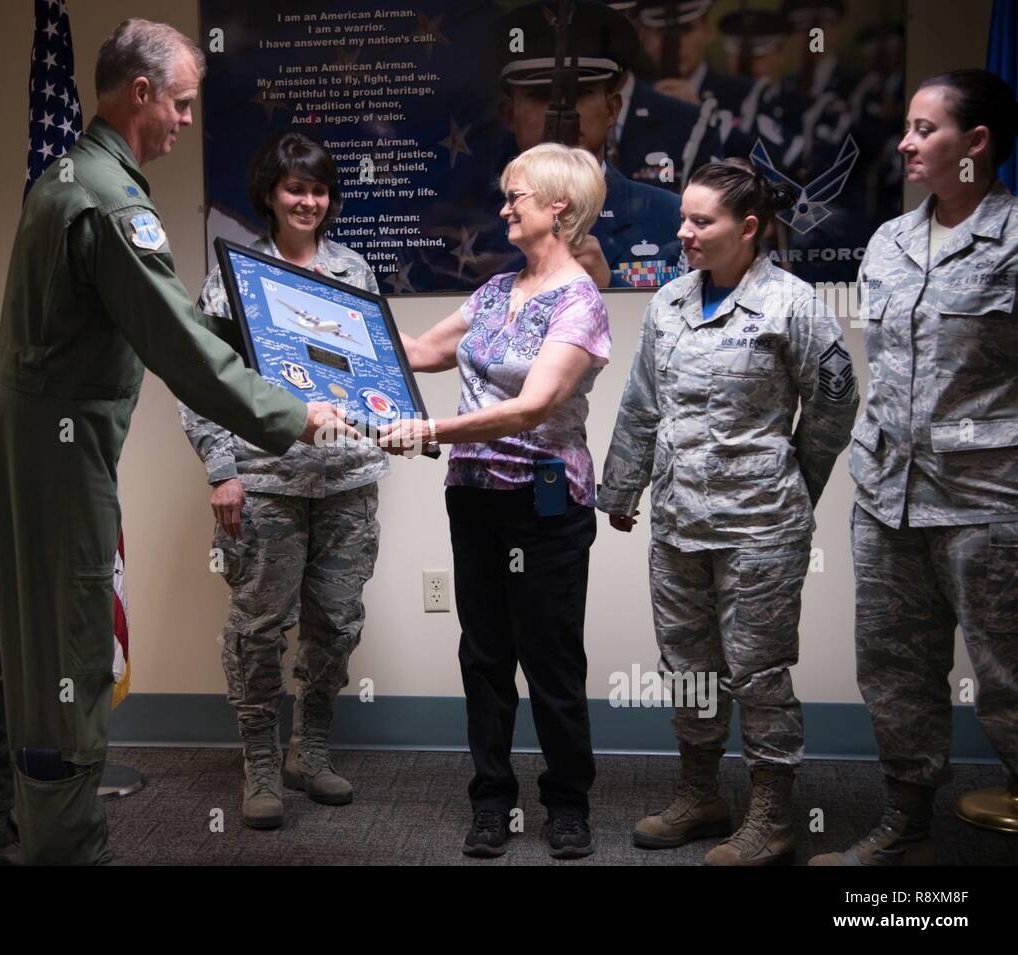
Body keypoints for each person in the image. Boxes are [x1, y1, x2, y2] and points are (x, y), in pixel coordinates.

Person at [0, 19, 356, 867]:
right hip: (54, 447)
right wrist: (291, 412)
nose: (188, 121)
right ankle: (67, 845)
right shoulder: (110, 200)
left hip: (21, 429)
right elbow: (180, 345)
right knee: (69, 648)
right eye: (184, 104)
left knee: (18, 634)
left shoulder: (74, 174)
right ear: (141, 93)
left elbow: (179, 330)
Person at [598, 158, 858, 866]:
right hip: (678, 523)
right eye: (682, 217)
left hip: (760, 530)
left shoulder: (794, 304)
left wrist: (796, 484)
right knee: (688, 664)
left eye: (700, 221)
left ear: (747, 228)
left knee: (759, 669)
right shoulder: (670, 302)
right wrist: (622, 491)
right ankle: (701, 793)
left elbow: (835, 402)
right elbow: (641, 402)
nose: (683, 232)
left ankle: (773, 815)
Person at [380, 143, 612, 859]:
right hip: (475, 498)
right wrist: (320, 315)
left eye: (516, 197)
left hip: (544, 503)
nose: (504, 207)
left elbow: (532, 407)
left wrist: (429, 430)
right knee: (483, 658)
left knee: (550, 662)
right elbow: (417, 351)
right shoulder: (491, 293)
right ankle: (491, 800)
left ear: (558, 209)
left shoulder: (580, 302)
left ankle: (568, 803)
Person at [811, 70, 1018, 866]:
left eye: (924, 129)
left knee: (1007, 679)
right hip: (888, 497)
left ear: (976, 144)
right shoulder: (889, 242)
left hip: (988, 503)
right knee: (895, 672)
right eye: (905, 127)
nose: (904, 143)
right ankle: (906, 827)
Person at [178, 132, 387, 830]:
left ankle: (311, 746)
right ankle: (260, 762)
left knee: (335, 623)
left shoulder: (354, 270)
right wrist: (220, 469)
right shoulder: (234, 275)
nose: (309, 200)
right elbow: (204, 379)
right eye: (296, 188)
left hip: (347, 479)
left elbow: (376, 368)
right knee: (260, 627)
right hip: (263, 478)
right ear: (270, 193)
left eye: (320, 189)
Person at [499, 0, 684, 288]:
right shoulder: (476, 225)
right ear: (509, 115)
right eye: (539, 95)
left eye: (580, 93)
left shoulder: (669, 217)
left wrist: (610, 286)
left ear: (612, 109)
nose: (559, 112)